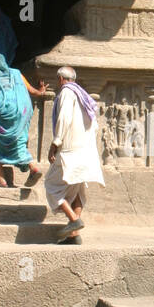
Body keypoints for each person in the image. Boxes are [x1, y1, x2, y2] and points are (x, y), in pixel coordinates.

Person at [46, 66, 105, 242]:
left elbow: (64, 118)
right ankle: (74, 235)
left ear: (61, 79)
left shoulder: (67, 93)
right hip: (86, 152)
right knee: (77, 191)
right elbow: (95, 125)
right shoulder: (83, 96)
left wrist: (56, 142)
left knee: (52, 186)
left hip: (70, 152)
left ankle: (74, 220)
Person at [0, 52, 47, 189]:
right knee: (19, 141)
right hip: (23, 112)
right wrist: (41, 91)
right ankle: (32, 167)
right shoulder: (17, 74)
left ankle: (1, 179)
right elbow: (31, 90)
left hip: (5, 113)